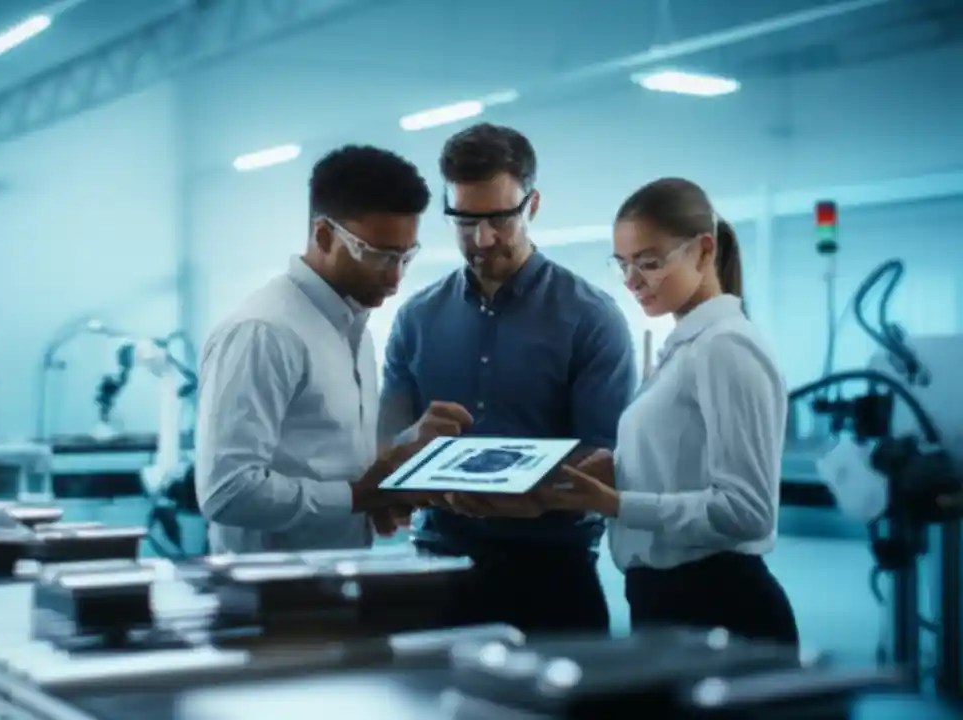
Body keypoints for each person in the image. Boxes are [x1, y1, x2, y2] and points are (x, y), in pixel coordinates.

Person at [448, 177, 799, 648]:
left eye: (649, 264)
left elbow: (748, 512)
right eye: (624, 265)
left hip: (718, 605)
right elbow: (677, 468)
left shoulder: (726, 346)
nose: (633, 281)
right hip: (666, 603)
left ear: (703, 250)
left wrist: (615, 504)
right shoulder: (684, 350)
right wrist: (584, 484)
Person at [377, 123, 636, 634]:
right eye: (465, 221)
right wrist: (407, 455)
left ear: (531, 205)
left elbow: (606, 460)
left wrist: (523, 494)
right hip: (438, 572)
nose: (483, 238)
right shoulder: (415, 319)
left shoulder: (592, 319)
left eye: (500, 218)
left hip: (552, 579)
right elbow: (384, 445)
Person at [196, 144, 433, 554]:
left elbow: (330, 468)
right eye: (377, 256)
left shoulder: (355, 332)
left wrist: (386, 490)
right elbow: (227, 490)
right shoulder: (264, 332)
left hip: (339, 582)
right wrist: (358, 496)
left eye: (404, 257)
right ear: (323, 235)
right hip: (270, 597)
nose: (395, 279)